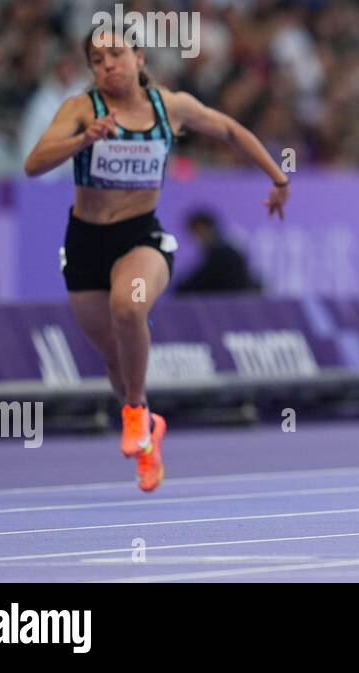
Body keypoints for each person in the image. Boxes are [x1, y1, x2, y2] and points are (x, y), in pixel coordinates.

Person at [24, 33, 290, 492]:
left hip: (140, 236)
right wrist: (82, 140)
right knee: (113, 355)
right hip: (85, 242)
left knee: (129, 307)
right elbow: (33, 163)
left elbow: (228, 129)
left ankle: (132, 411)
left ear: (138, 57)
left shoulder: (170, 106)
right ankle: (147, 432)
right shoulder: (81, 110)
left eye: (116, 55)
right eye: (96, 60)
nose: (107, 65)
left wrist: (277, 176)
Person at [173, 208, 263, 294]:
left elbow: (202, 282)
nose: (197, 237)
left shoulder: (222, 255)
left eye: (200, 230)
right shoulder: (217, 253)